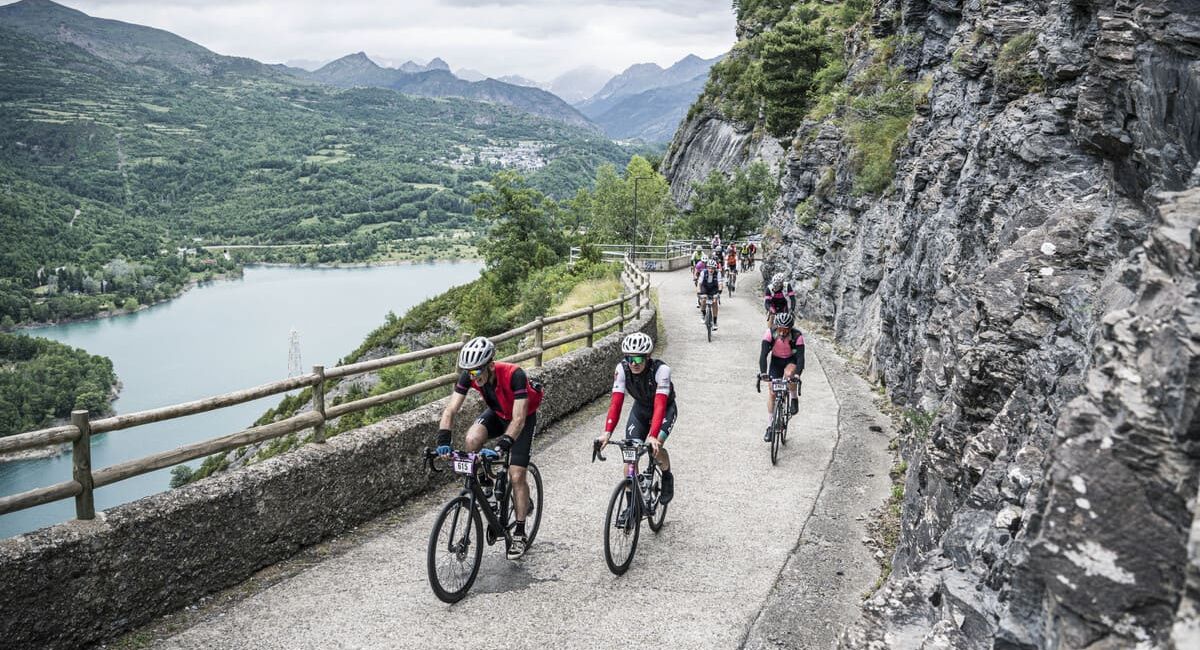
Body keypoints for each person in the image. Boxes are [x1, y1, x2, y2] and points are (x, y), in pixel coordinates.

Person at [436, 336, 543, 560]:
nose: (473, 377)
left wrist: (502, 446)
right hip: (497, 413)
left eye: (477, 372)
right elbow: (450, 410)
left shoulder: (515, 375)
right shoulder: (470, 375)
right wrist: (443, 441)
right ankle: (486, 485)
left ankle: (521, 532)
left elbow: (519, 419)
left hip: (520, 418)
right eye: (469, 372)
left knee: (516, 475)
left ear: (491, 365)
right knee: (471, 440)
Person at [596, 332, 677, 506]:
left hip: (664, 410)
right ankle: (631, 506)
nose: (633, 364)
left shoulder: (661, 370)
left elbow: (660, 405)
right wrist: (607, 433)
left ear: (647, 357)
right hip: (640, 410)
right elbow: (615, 404)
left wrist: (654, 435)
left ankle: (667, 475)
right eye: (629, 359)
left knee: (656, 446)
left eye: (638, 360)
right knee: (630, 456)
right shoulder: (622, 369)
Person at [758, 312, 804, 441]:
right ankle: (770, 426)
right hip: (776, 361)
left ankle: (793, 398)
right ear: (776, 327)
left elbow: (801, 359)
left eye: (786, 330)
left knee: (790, 375)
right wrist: (763, 373)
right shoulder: (769, 333)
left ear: (790, 329)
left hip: (791, 359)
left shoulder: (797, 336)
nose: (782, 332)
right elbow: (763, 355)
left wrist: (797, 375)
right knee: (772, 392)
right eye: (780, 329)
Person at [697, 259, 722, 329]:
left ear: (715, 269)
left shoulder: (718, 273)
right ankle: (703, 314)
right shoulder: (703, 272)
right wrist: (699, 293)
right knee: (703, 299)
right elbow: (699, 284)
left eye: (712, 268)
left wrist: (719, 292)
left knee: (714, 302)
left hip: (713, 288)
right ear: (707, 268)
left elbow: (720, 284)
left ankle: (715, 321)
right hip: (705, 287)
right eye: (709, 268)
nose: (711, 270)